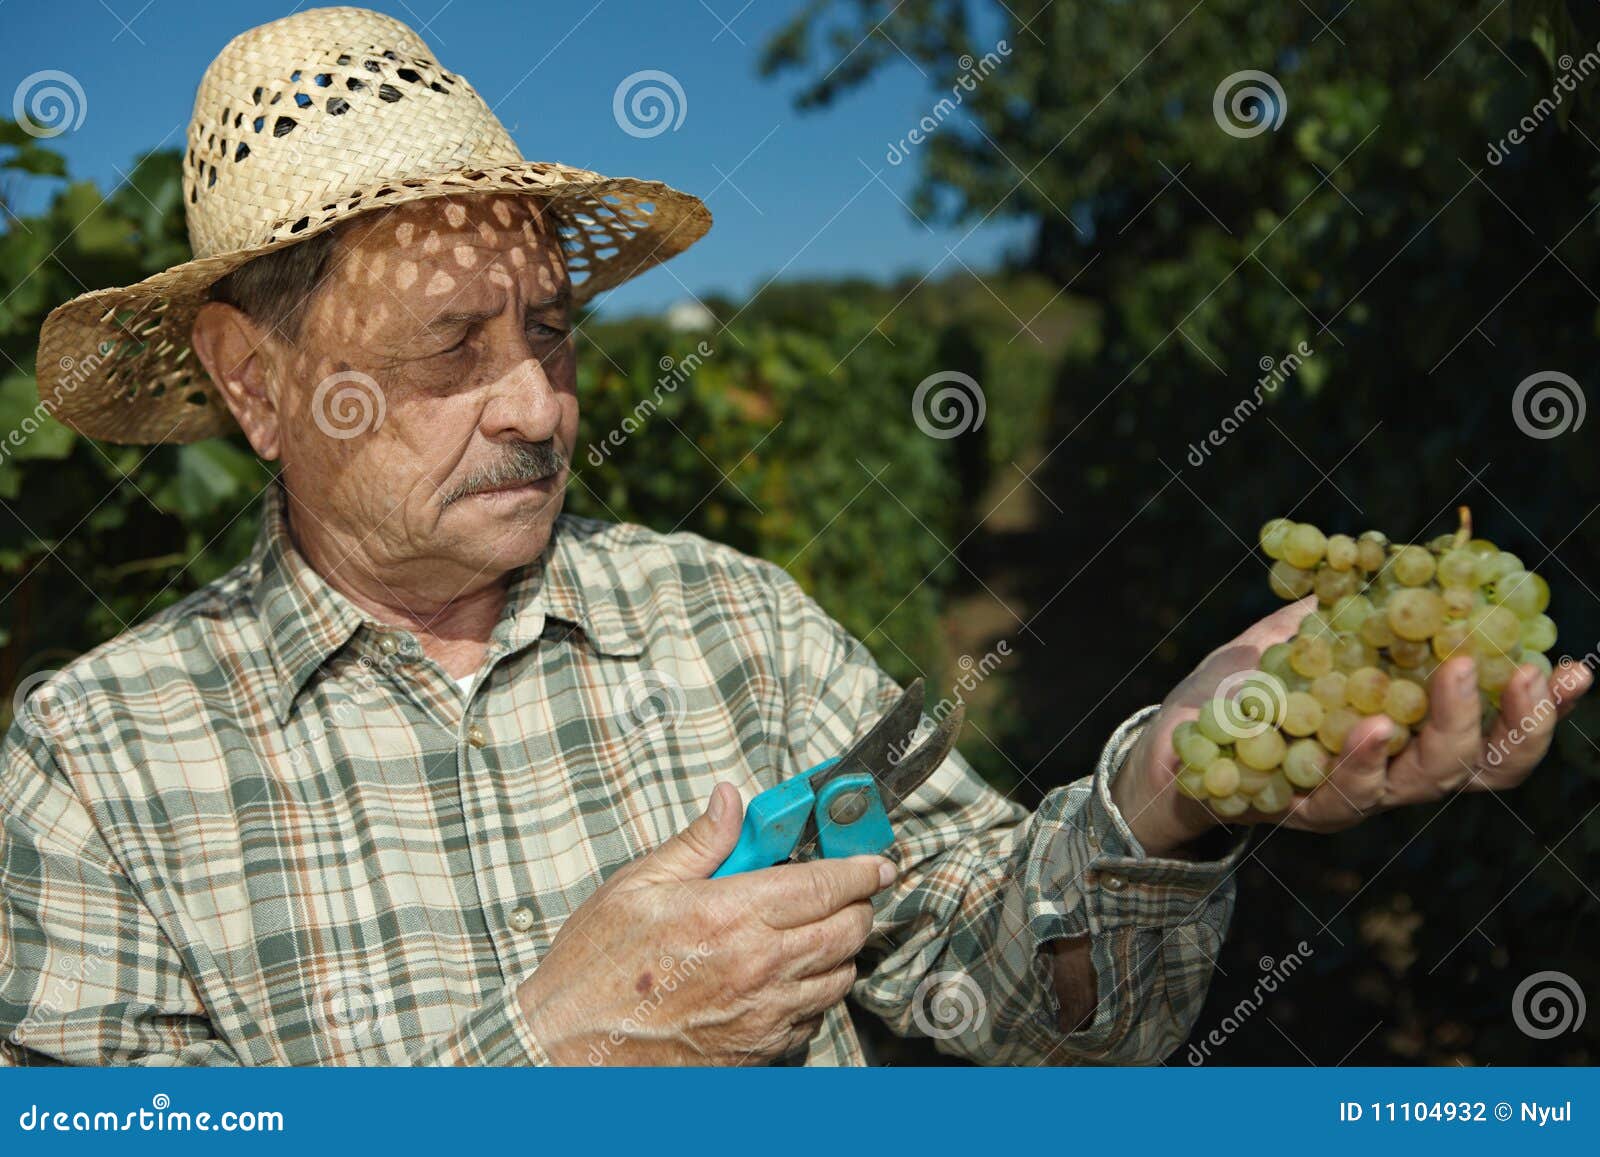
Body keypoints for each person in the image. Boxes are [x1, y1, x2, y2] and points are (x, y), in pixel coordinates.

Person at [4, 8, 1589, 1066]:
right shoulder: (94, 772)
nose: (541, 409)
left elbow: (1009, 992)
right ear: (252, 379)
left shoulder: (726, 624)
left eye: (551, 334)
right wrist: (549, 1055)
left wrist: (1165, 793)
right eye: (446, 351)